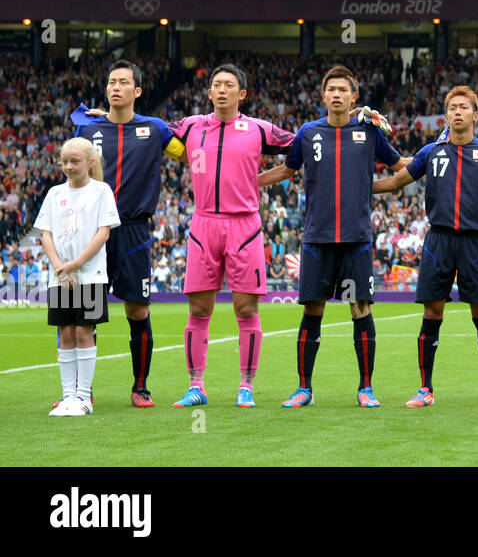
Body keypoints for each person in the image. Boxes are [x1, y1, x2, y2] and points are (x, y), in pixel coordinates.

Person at [372, 85, 478, 408]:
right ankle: (425, 389)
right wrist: (353, 185)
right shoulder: (430, 153)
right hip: (439, 241)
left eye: (464, 107)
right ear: (445, 116)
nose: (457, 112)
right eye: (452, 108)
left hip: (476, 242)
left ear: (476, 116)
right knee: (433, 312)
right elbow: (394, 182)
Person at [256, 66, 405, 409]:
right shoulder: (308, 133)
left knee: (360, 308)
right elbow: (285, 170)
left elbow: (402, 170)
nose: (336, 94)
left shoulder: (369, 133)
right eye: (331, 89)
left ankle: (365, 389)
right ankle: (303, 389)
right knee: (313, 309)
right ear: (322, 96)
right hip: (317, 239)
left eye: (343, 90)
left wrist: (433, 158)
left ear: (354, 97)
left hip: (356, 239)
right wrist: (249, 181)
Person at [169, 63, 296, 409]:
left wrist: (262, 179)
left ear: (241, 94)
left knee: (246, 308)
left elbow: (303, 145)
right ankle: (196, 385)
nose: (221, 89)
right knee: (198, 308)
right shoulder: (190, 127)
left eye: (229, 85)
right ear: (208, 93)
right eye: (216, 85)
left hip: (244, 226)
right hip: (203, 224)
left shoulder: (259, 129)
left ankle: (246, 385)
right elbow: (148, 131)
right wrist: (109, 114)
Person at [68, 60, 186, 408]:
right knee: (84, 312)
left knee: (137, 312)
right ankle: (80, 390)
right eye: (110, 82)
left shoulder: (156, 130)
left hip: (134, 232)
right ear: (106, 90)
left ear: (137, 91)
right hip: (91, 232)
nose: (115, 86)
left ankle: (140, 387)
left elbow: (187, 153)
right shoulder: (87, 132)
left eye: (123, 82)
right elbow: (71, 174)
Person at [37, 137, 120, 416]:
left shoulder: (101, 191)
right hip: (59, 276)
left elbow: (103, 232)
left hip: (91, 275)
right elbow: (46, 234)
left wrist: (76, 264)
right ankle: (67, 396)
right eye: (65, 162)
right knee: (66, 332)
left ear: (90, 162)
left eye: (75, 161)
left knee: (85, 331)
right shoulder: (54, 194)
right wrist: (60, 266)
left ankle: (84, 397)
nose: (69, 167)